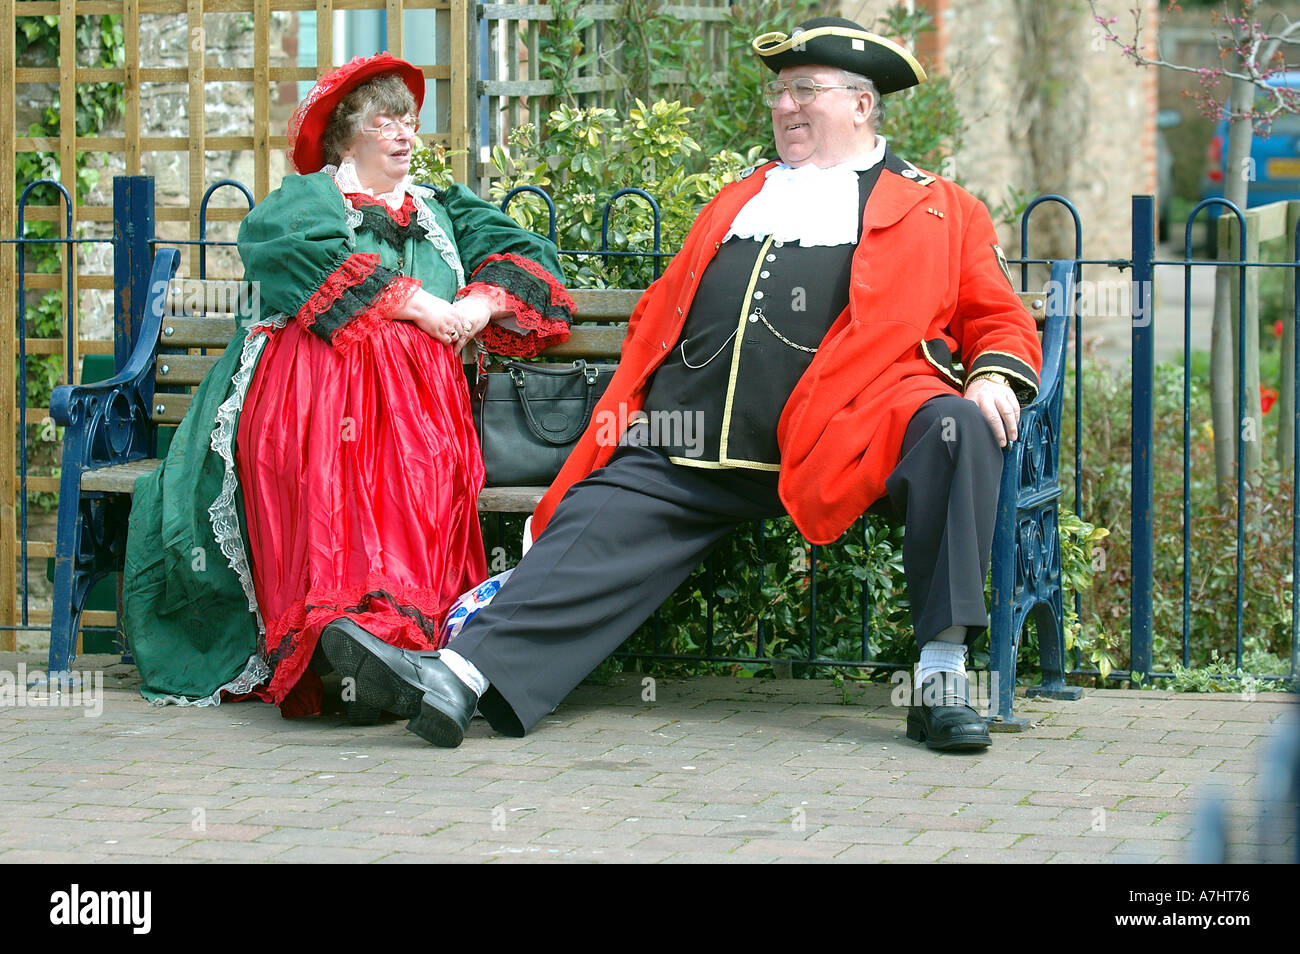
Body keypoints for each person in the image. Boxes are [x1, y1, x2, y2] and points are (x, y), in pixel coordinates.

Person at [322, 18, 1043, 751]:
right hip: (691, 438)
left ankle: (942, 674)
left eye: (805, 91)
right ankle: (458, 677)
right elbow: (661, 316)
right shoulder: (741, 199)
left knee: (956, 426)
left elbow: (1000, 318)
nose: (786, 106)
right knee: (597, 514)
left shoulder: (937, 206)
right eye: (779, 93)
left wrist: (992, 375)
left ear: (861, 104)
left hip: (849, 432)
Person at [122, 53, 574, 720]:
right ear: (344, 135)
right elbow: (279, 248)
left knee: (412, 466)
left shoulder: (441, 208)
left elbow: (530, 256)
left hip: (420, 410)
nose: (404, 134)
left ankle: (392, 639)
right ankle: (342, 634)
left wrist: (478, 306)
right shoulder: (315, 197)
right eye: (385, 121)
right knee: (333, 458)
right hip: (313, 391)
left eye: (411, 122)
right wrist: (417, 305)